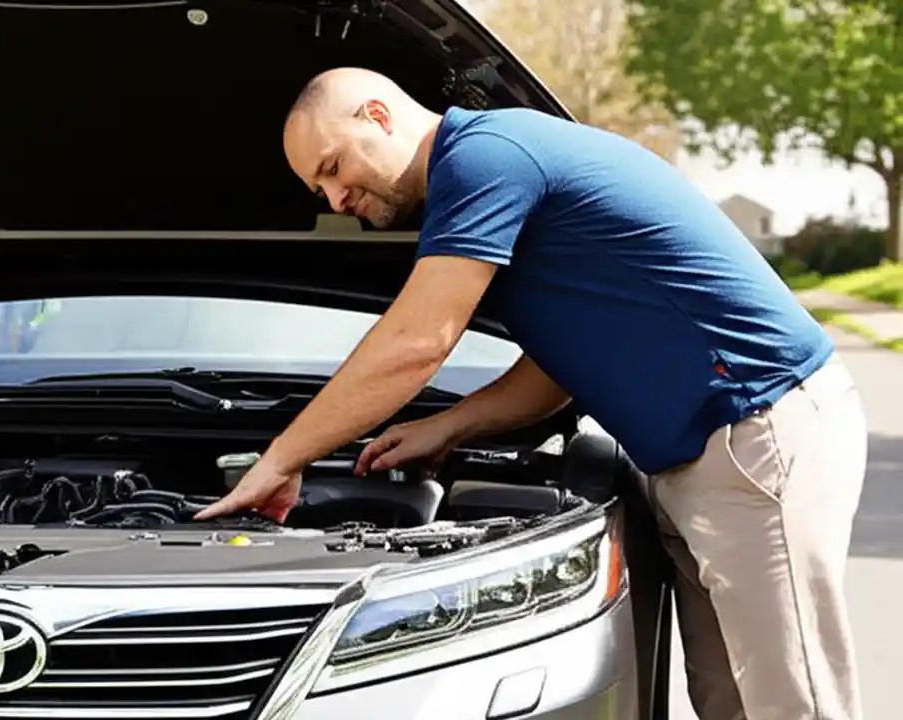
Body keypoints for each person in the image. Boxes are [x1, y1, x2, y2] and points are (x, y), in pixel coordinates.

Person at [193, 67, 866, 720]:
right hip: (701, 455)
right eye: (320, 188)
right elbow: (556, 367)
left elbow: (417, 342)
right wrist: (451, 426)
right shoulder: (492, 165)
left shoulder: (485, 158)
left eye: (333, 167)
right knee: (728, 701)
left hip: (756, 430)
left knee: (795, 704)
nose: (335, 200)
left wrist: (283, 457)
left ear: (378, 115)